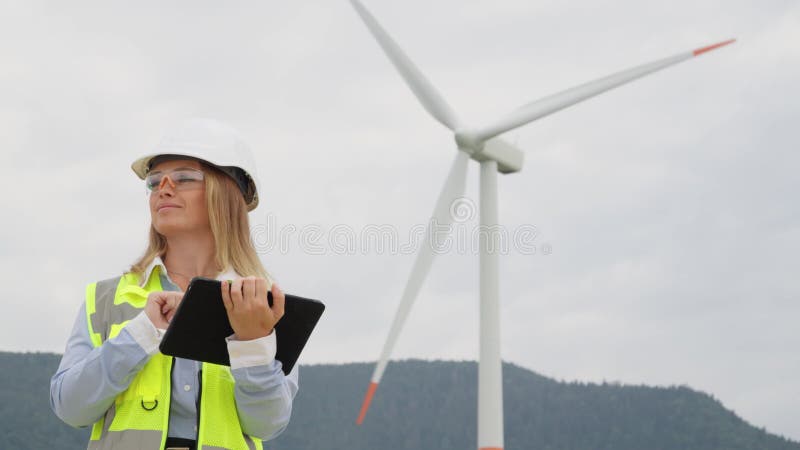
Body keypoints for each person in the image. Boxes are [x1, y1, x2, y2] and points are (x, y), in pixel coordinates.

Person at [50, 118, 298, 450]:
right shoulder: (105, 300)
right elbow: (70, 408)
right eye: (154, 181)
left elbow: (267, 424)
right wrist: (140, 334)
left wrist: (252, 343)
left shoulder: (265, 305)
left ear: (227, 192)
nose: (163, 189)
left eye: (184, 178)